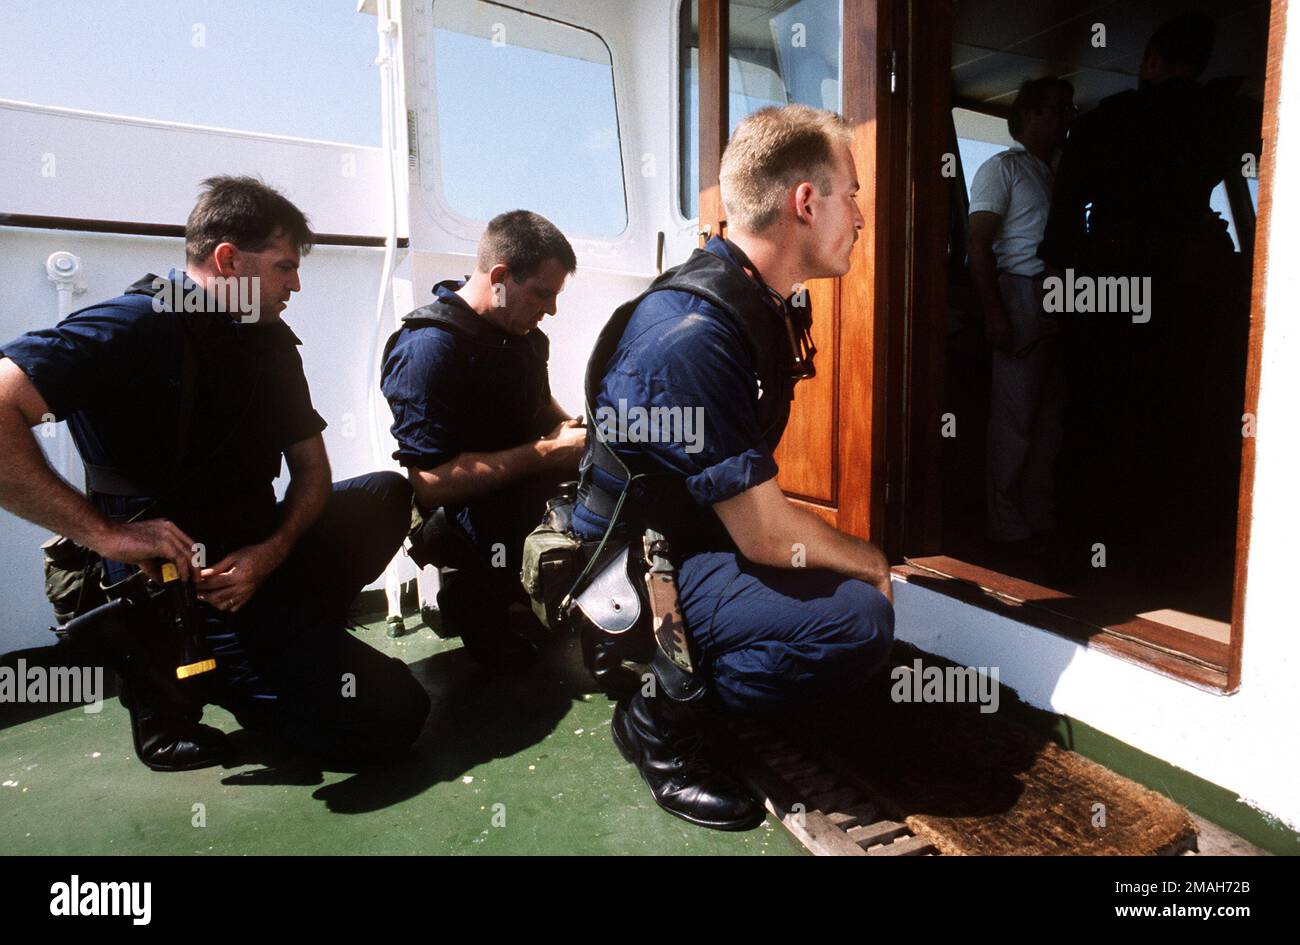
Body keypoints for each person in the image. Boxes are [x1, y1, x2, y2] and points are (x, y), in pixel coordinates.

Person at [0, 176, 429, 771]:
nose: (296, 284)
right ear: (227, 260)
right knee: (390, 718)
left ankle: (293, 642)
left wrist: (273, 550)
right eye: (284, 267)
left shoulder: (271, 342)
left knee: (385, 493)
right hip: (180, 585)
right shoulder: (133, 326)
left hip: (256, 555)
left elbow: (310, 469)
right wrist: (106, 535)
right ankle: (166, 682)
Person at [573, 105, 895, 830]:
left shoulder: (750, 297)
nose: (861, 216)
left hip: (693, 533)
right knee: (859, 619)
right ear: (804, 203)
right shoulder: (694, 333)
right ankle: (658, 716)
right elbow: (765, 537)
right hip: (634, 568)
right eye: (852, 194)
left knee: (833, 582)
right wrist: (873, 561)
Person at [1038, 12, 1258, 571]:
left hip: (1108, 284)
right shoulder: (1220, 118)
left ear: (1152, 60)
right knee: (1174, 412)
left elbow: (1064, 222)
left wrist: (1063, 295)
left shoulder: (1105, 120)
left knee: (1093, 412)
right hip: (1184, 286)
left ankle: (1081, 548)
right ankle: (1161, 551)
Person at [381, 210, 586, 663]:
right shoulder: (428, 349)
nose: (550, 309)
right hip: (466, 512)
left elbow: (539, 404)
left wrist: (580, 435)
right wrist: (549, 452)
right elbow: (432, 482)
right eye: (543, 294)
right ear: (500, 277)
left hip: (523, 486)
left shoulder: (524, 334)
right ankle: (472, 598)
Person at [967, 77, 1074, 545]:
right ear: (1027, 116)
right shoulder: (1002, 169)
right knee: (1016, 416)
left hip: (1062, 295)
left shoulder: (1062, 174)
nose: (1064, 117)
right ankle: (1005, 523)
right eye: (1055, 108)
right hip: (1020, 291)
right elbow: (978, 243)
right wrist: (996, 314)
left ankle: (1040, 515)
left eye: (1068, 109)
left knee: (1050, 416)